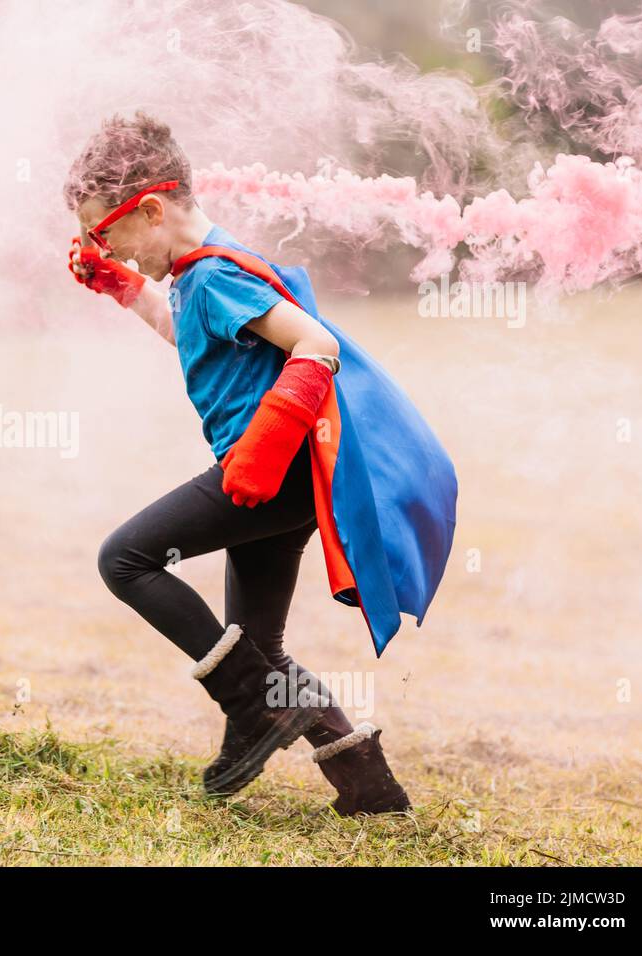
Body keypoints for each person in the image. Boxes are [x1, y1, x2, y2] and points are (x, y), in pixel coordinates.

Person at [62, 111, 457, 813]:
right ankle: (367, 786)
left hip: (269, 477)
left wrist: (265, 450)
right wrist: (123, 289)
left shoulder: (212, 277)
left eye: (106, 233)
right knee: (258, 642)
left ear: (151, 210)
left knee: (124, 559)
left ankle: (256, 710)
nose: (106, 247)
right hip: (282, 481)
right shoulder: (196, 277)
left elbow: (315, 344)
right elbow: (184, 331)